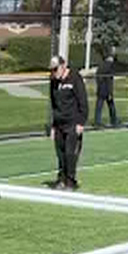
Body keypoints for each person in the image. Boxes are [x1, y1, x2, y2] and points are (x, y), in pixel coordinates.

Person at [48, 54, 88, 190]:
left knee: (70, 154)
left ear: (63, 66)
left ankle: (71, 181)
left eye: (55, 69)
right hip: (59, 124)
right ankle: (61, 179)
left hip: (73, 123)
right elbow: (54, 104)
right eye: (51, 70)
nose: (53, 73)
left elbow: (83, 102)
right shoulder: (53, 81)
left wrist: (81, 123)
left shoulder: (75, 78)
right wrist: (53, 126)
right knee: (60, 154)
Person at [94, 52, 121, 128]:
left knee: (99, 107)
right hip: (106, 89)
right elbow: (109, 81)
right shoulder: (110, 66)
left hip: (100, 89)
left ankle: (97, 121)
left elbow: (98, 78)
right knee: (111, 106)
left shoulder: (101, 66)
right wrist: (110, 92)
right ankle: (114, 120)